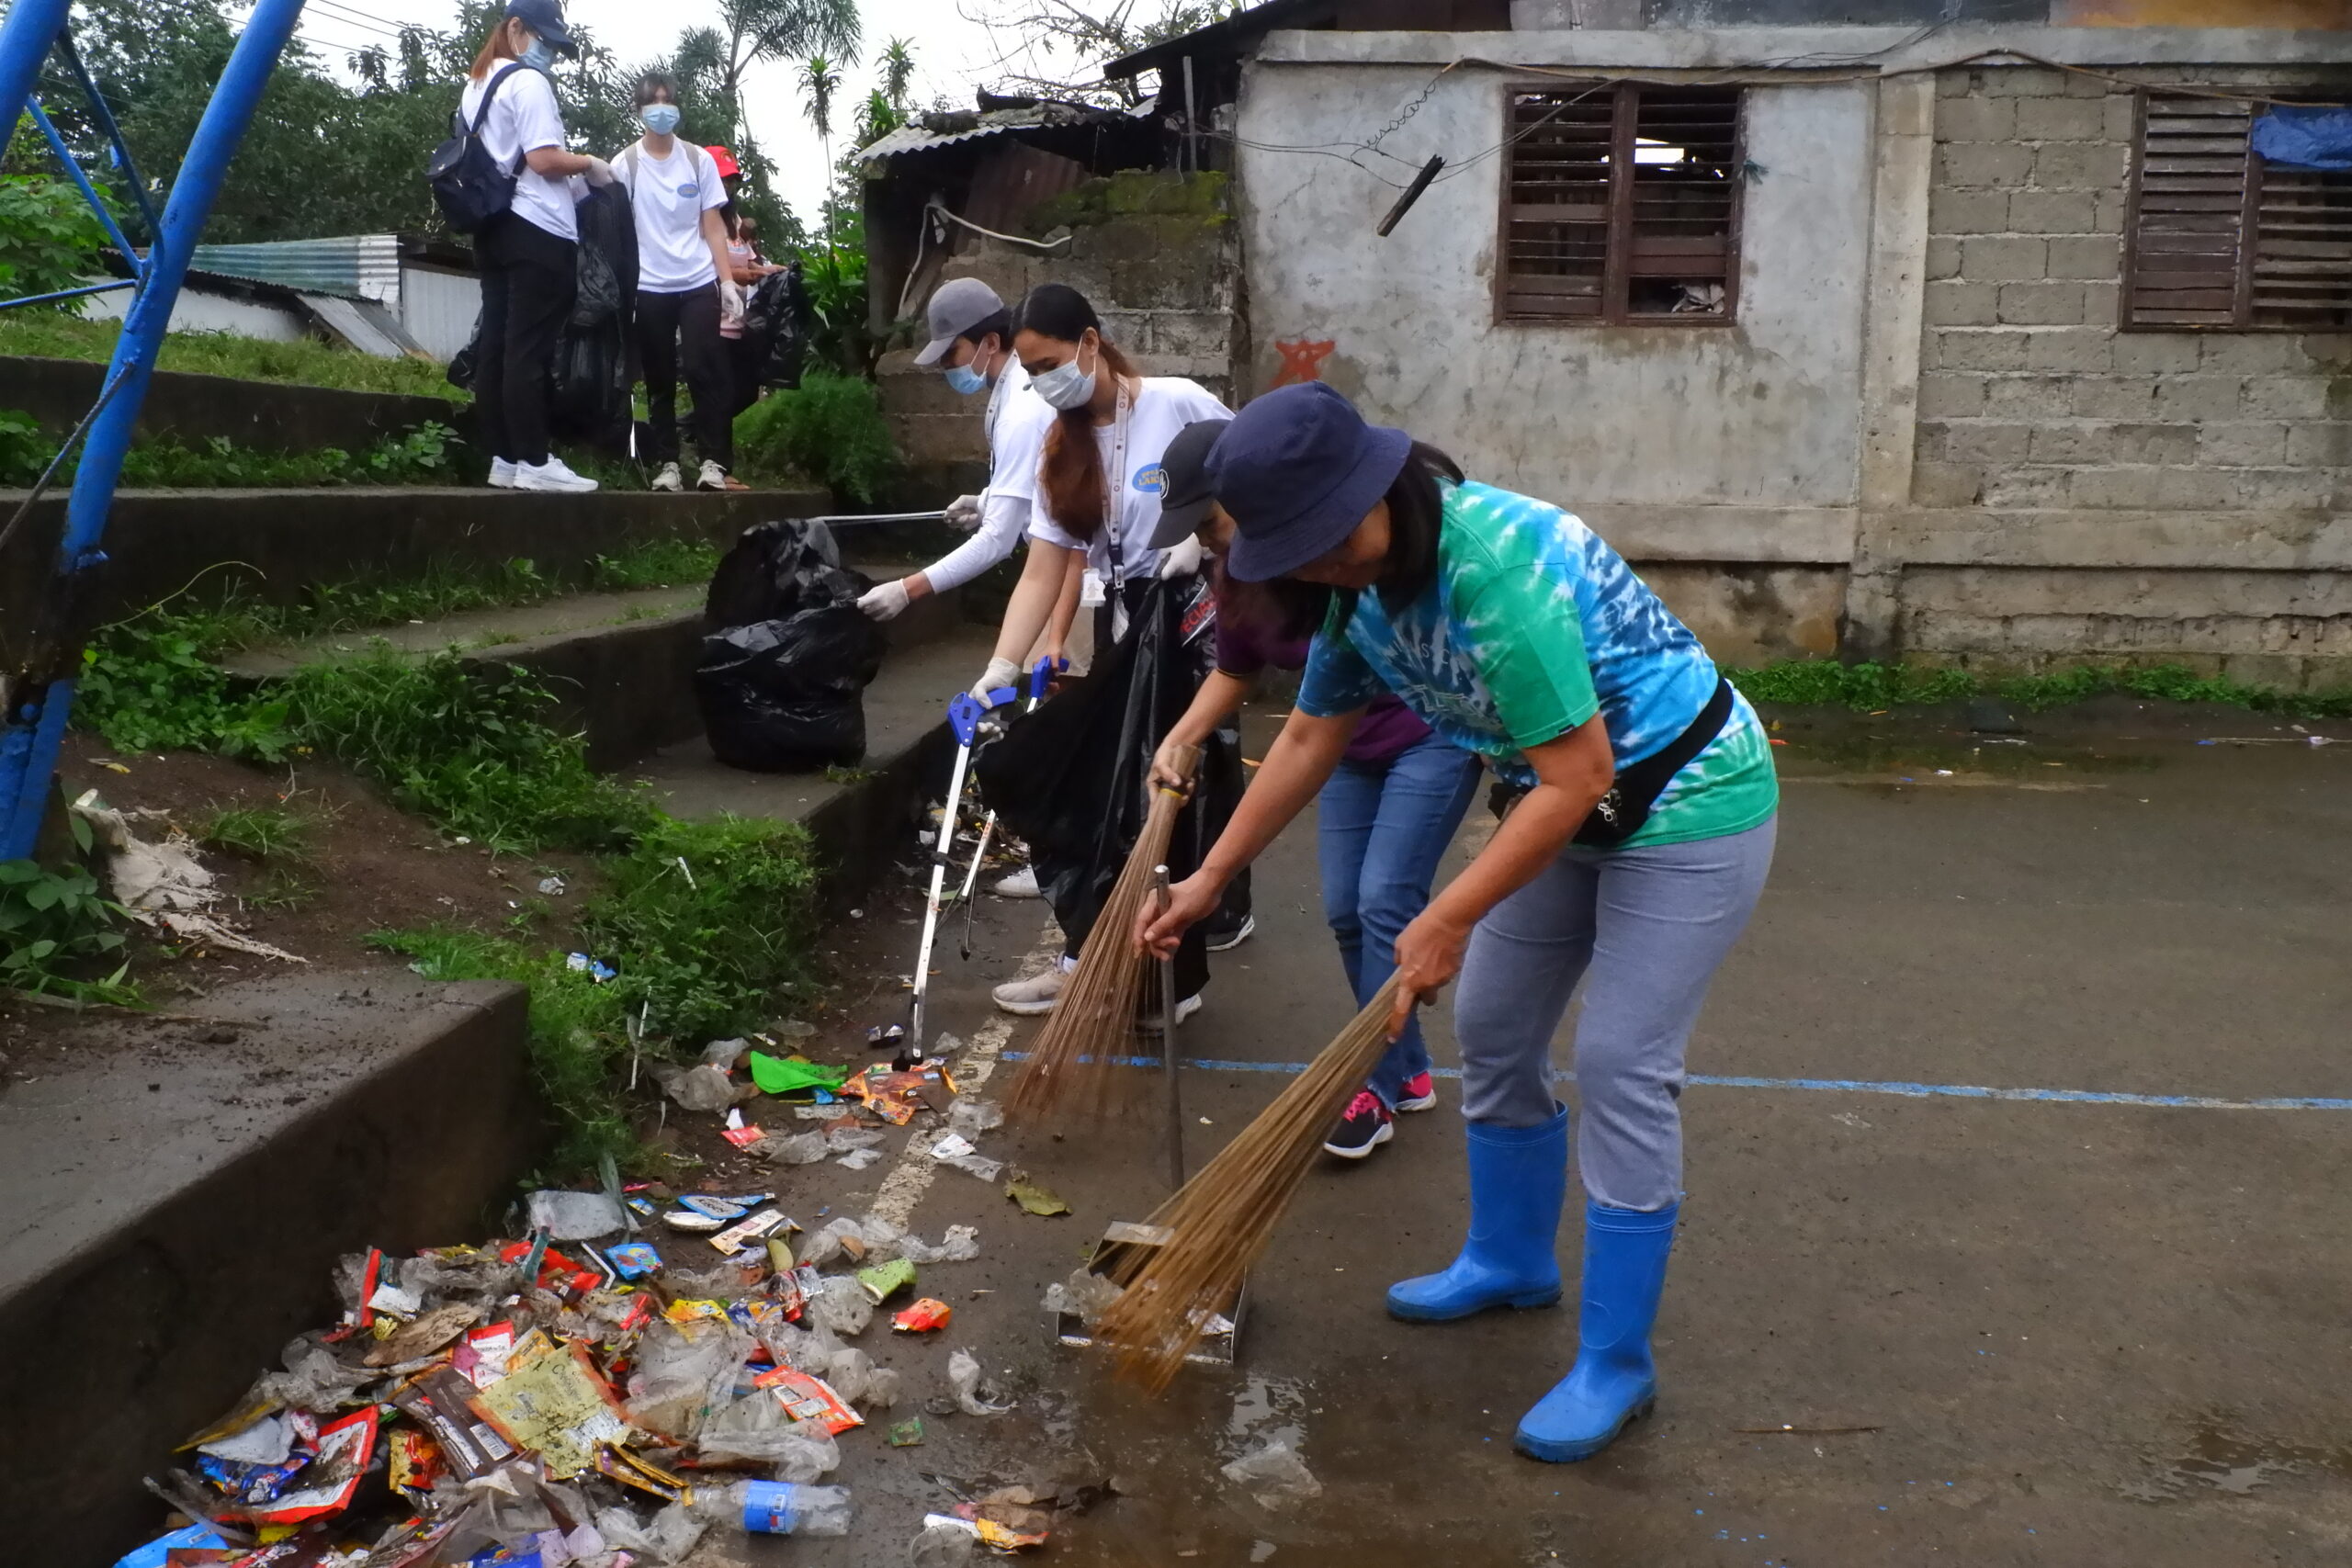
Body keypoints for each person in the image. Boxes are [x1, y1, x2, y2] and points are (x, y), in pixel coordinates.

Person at [1139, 382, 1778, 1463]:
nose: (1327, 566)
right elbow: (1305, 740)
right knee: (1492, 1030)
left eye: (1336, 538)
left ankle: (1617, 1362)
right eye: (1302, 552)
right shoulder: (1354, 593)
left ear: (1379, 484)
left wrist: (1443, 915)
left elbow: (1575, 774)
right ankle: (1509, 1259)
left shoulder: (1495, 572)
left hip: (1688, 803)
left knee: (1622, 1063)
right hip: (1566, 809)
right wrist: (1208, 876)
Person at [1144, 419, 1482, 1160]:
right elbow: (1241, 675)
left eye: (1212, 521)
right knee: (1344, 912)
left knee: (1386, 899)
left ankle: (1375, 1082)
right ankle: (1410, 1070)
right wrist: (1183, 735)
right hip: (1344, 747)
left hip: (1427, 736)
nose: (1212, 541)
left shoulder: (1345, 553)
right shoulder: (1240, 574)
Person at [970, 282, 1242, 1018]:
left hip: (1196, 621)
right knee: (1107, 793)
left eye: (1052, 361)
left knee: (1163, 799)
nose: (1046, 381)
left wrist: (1205, 528)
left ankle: (1159, 980)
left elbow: (1250, 466)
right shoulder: (1058, 445)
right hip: (1127, 634)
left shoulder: (1178, 401)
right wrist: (1003, 664)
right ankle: (1090, 959)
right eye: (1031, 372)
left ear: (1091, 342)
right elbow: (1043, 565)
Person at [463, 0, 608, 494]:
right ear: (516, 28)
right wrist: (589, 163)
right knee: (528, 351)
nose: (549, 53)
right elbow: (543, 159)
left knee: (498, 348)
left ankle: (504, 457)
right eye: (544, 40)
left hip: (494, 230)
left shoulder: (478, 84)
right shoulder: (529, 82)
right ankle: (534, 460)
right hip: (537, 231)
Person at [612, 75, 741, 494]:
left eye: (668, 100)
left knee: (707, 370)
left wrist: (727, 282)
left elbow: (714, 226)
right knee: (660, 377)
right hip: (649, 285)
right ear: (640, 110)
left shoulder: (698, 160)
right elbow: (617, 232)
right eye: (653, 102)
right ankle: (667, 464)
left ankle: (714, 463)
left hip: (698, 279)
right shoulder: (624, 165)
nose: (662, 108)